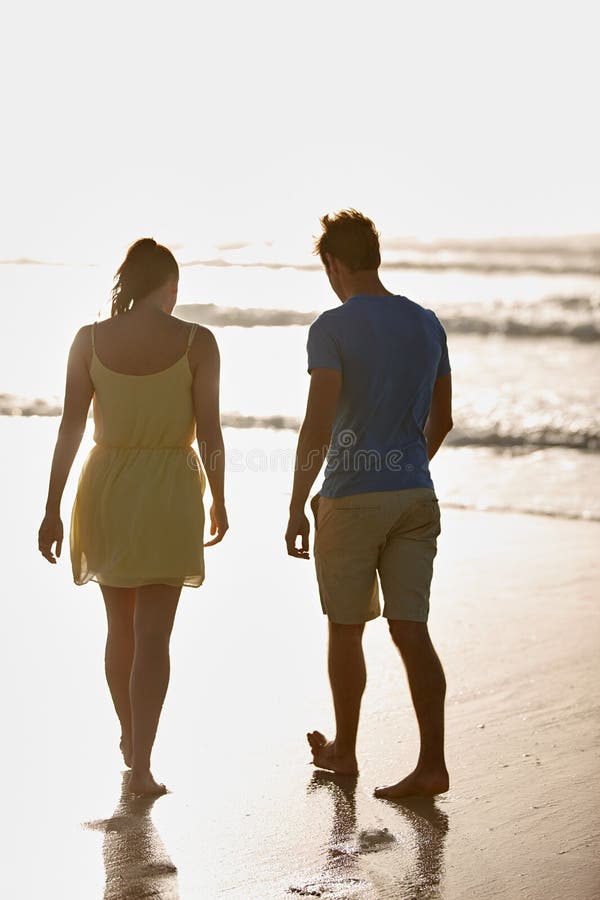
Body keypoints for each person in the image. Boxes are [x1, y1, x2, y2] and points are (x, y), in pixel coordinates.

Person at [38, 238, 228, 796]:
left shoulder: (88, 340)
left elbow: (70, 427)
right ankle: (142, 763)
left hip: (107, 487)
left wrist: (51, 507)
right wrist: (219, 497)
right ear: (170, 287)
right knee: (154, 636)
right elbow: (210, 430)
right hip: (170, 490)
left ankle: (128, 734)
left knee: (119, 628)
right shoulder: (198, 342)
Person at [285, 210, 453, 799]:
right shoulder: (427, 323)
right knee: (412, 630)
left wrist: (296, 503)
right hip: (415, 493)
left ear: (333, 263)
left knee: (346, 627)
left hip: (352, 496)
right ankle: (432, 764)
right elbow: (442, 420)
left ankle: (347, 752)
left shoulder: (331, 327)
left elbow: (319, 424)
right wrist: (406, 469)